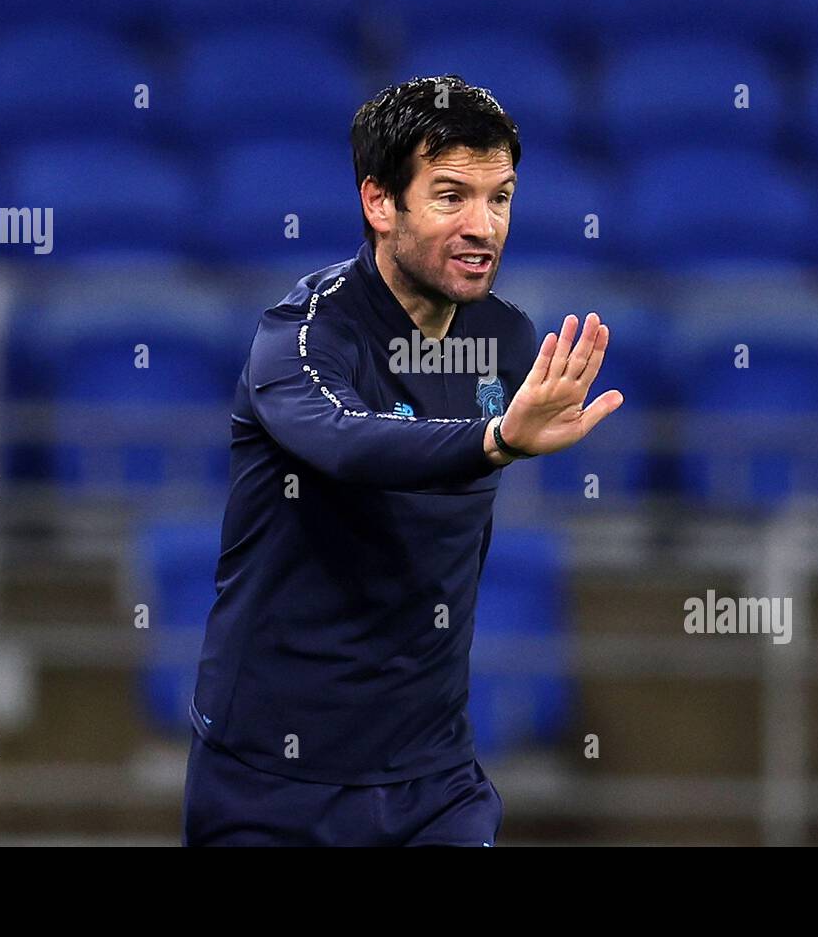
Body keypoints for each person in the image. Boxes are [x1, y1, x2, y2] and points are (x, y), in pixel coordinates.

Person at [183, 75, 623, 846]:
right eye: (451, 196)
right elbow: (348, 443)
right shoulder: (301, 337)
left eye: (501, 197)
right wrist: (492, 442)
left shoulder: (513, 346)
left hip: (433, 782)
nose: (483, 226)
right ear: (380, 202)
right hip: (270, 780)